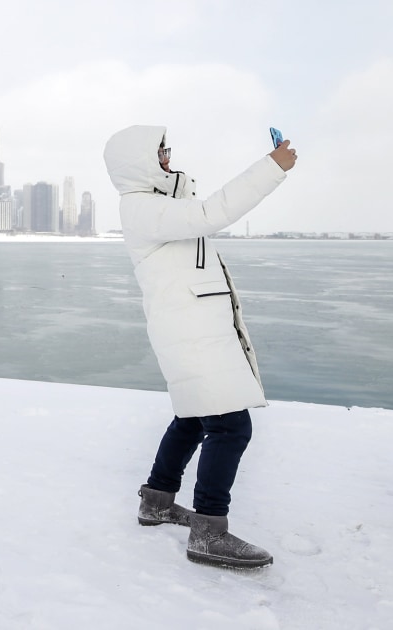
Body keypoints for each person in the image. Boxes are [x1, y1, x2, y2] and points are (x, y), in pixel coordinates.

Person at [103, 125, 297, 569]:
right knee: (231, 427)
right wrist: (271, 167)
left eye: (166, 151)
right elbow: (212, 213)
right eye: (160, 153)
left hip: (194, 326)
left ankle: (156, 502)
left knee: (192, 417)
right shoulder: (144, 208)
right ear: (141, 163)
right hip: (188, 331)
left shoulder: (164, 203)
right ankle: (209, 532)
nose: (168, 157)